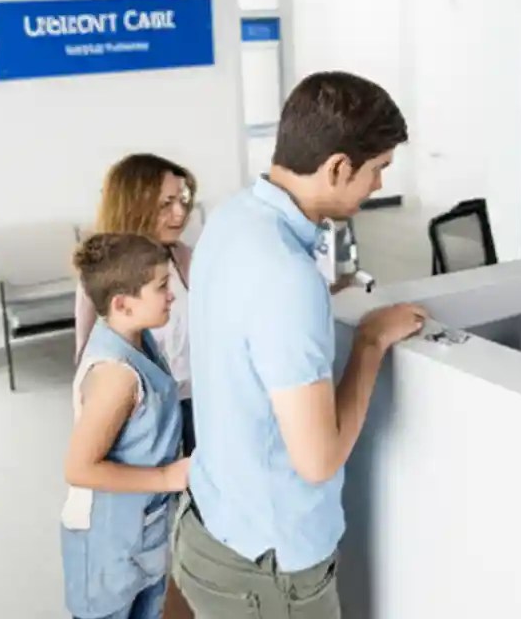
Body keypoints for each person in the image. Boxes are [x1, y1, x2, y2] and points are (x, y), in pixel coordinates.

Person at [172, 71, 427, 617]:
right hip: (269, 572)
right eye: (378, 169)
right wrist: (370, 342)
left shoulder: (232, 219)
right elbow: (317, 459)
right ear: (338, 167)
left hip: (211, 527)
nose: (379, 185)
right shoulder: (287, 277)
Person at [62, 233, 191, 619]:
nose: (171, 295)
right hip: (108, 547)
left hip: (141, 534)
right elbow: (78, 468)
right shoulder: (115, 375)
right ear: (122, 304)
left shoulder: (142, 340)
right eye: (161, 287)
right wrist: (168, 476)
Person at [76, 154, 197, 454]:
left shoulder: (184, 258)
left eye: (182, 200)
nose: (180, 213)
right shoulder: (102, 277)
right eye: (166, 204)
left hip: (193, 401)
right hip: (146, 417)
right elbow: (88, 363)